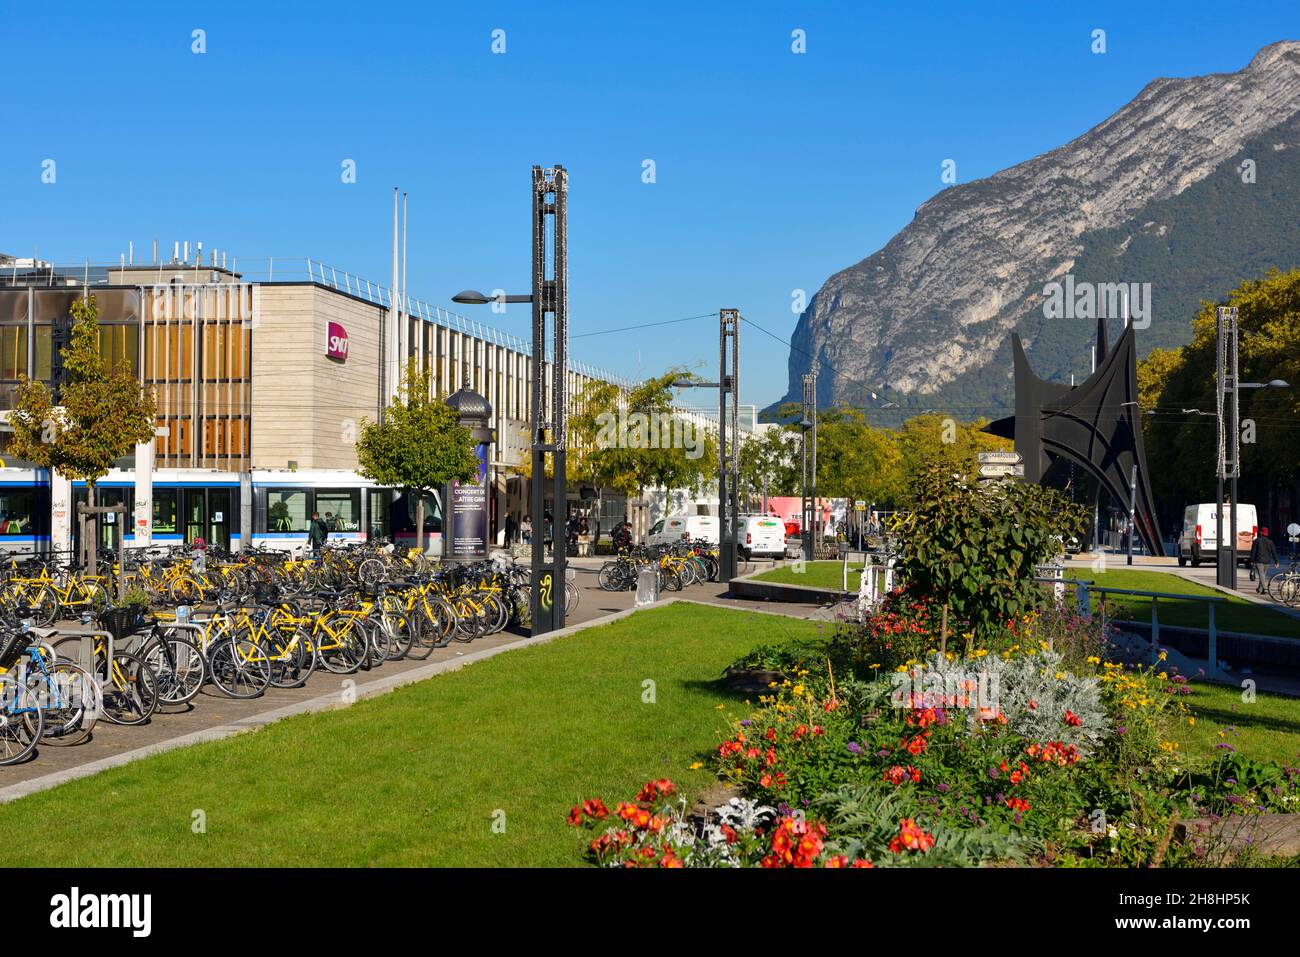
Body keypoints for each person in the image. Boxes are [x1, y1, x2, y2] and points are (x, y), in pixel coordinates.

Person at [1250, 527, 1280, 594]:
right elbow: (1274, 552)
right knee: (1263, 575)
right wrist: (1276, 561)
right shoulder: (1270, 542)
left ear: (1261, 532)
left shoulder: (1256, 541)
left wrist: (1252, 561)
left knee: (1261, 575)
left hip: (1258, 560)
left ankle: (1264, 588)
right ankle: (1259, 589)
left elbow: (1253, 551)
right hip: (1267, 561)